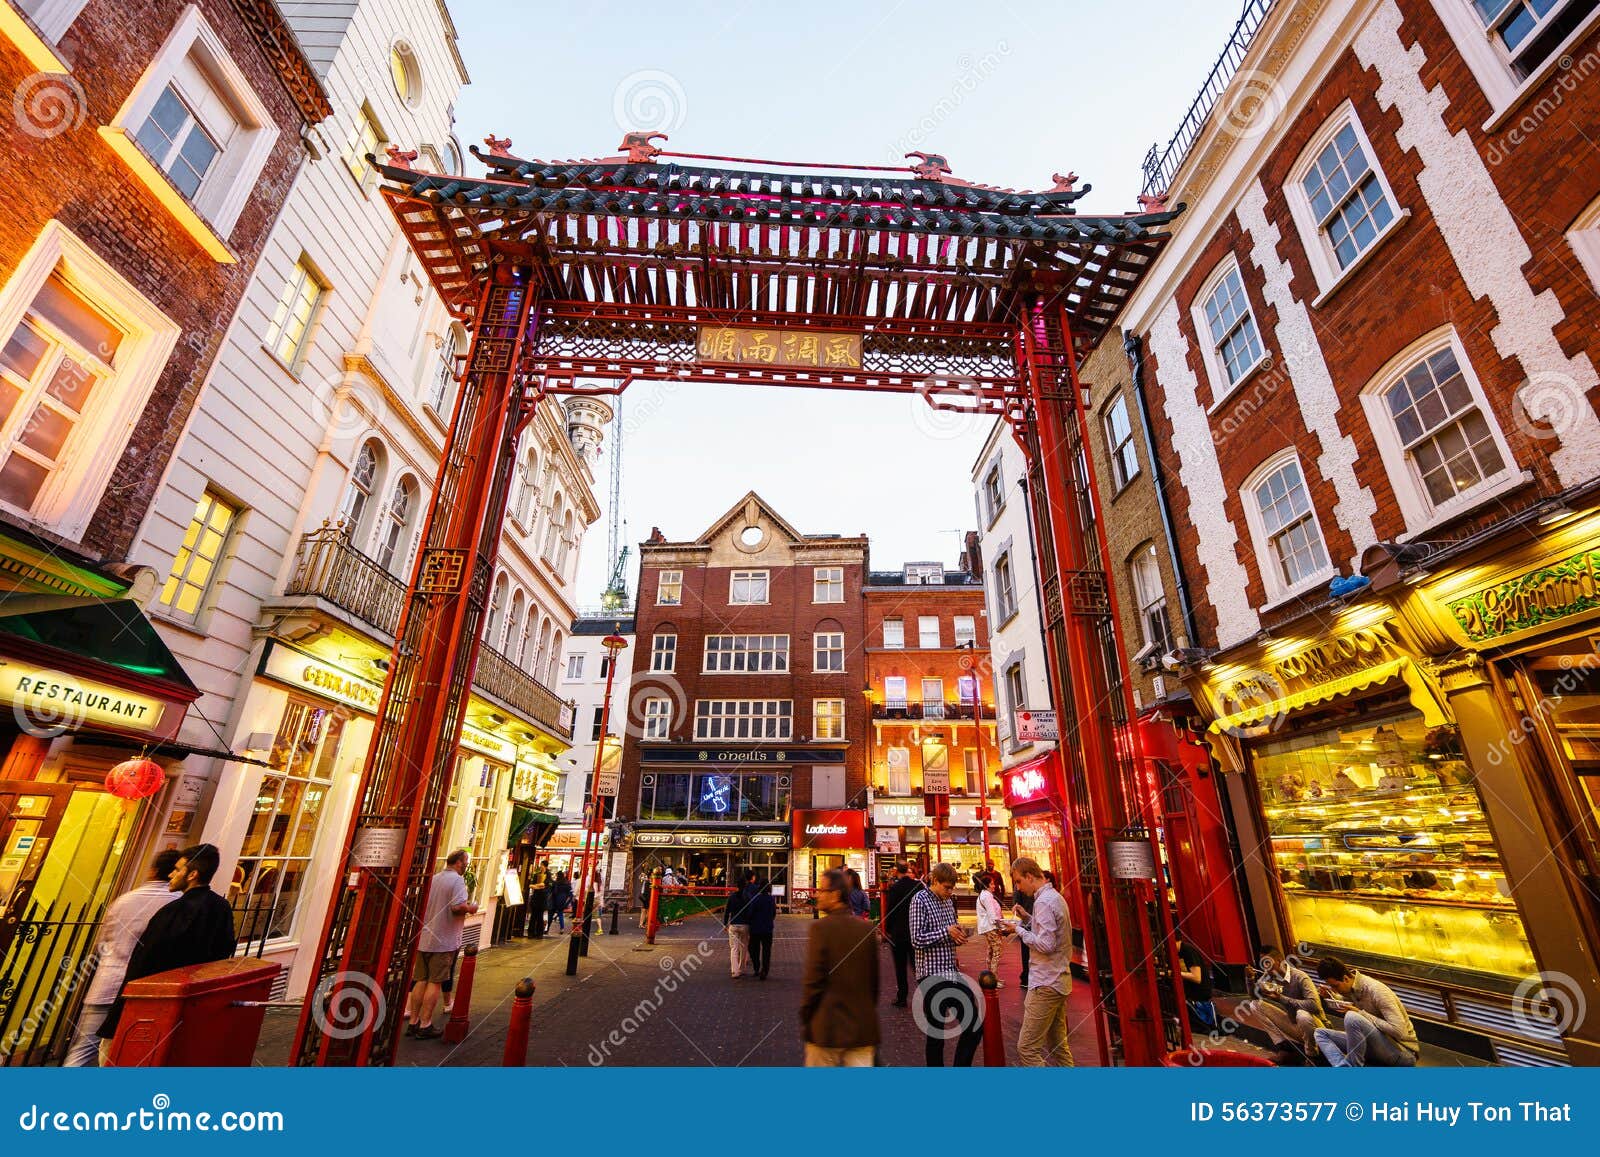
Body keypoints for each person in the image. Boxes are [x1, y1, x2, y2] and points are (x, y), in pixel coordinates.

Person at [95, 844, 237, 1060]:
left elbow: (144, 962)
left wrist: (119, 1014)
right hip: (192, 1007)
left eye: (177, 869)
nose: (171, 874)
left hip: (151, 1008)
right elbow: (223, 954)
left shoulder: (173, 912)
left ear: (192, 874)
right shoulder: (221, 907)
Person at [64, 848, 183, 1066]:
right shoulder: (179, 904)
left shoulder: (124, 901)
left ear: (153, 871)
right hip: (147, 989)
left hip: (108, 983)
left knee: (83, 1050)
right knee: (135, 1054)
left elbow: (103, 942)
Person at [800, 868, 880, 1066]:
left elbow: (813, 981)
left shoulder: (820, 929)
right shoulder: (866, 929)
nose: (817, 894)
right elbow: (874, 984)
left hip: (827, 1028)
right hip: (862, 1028)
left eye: (822, 890)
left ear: (835, 895)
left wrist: (806, 1014)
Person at [1001, 857, 1073, 1066]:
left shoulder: (1042, 902)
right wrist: (1026, 918)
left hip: (1045, 983)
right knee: (1059, 1047)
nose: (1018, 888)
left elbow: (1046, 944)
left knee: (1027, 1048)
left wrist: (1018, 930)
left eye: (1018, 882)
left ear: (1029, 877)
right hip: (1059, 980)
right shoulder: (1054, 897)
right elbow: (1049, 933)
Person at [910, 862, 984, 1066]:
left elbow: (950, 929)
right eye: (946, 887)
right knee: (936, 1032)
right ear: (934, 881)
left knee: (974, 1026)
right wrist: (946, 932)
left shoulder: (948, 901)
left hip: (950, 970)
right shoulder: (919, 900)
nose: (949, 892)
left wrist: (957, 934)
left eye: (952, 888)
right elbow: (916, 939)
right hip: (931, 973)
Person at [405, 849, 479, 1040]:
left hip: (425, 938)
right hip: (443, 939)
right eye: (466, 862)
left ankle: (413, 1022)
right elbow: (457, 907)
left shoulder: (434, 879)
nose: (466, 865)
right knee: (435, 981)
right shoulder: (457, 881)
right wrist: (472, 908)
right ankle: (425, 1024)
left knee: (420, 979)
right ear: (460, 863)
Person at [1313, 956, 1419, 1067]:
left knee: (1352, 1017)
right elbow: (1351, 1005)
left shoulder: (1377, 991)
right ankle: (1343, 1067)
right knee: (1320, 1033)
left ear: (1345, 978)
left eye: (1335, 986)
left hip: (1402, 1051)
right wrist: (1331, 996)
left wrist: (1360, 1013)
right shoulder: (1352, 988)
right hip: (1374, 1045)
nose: (1334, 989)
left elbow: (1399, 1031)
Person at [1234, 946, 1326, 1064]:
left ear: (1279, 961)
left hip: (1316, 1027)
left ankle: (1312, 1056)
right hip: (1294, 1024)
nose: (1265, 967)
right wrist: (1249, 979)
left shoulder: (1300, 977)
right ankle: (1285, 1049)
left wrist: (1281, 998)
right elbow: (1254, 996)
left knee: (1302, 1015)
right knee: (1255, 1005)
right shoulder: (1269, 977)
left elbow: (1314, 1005)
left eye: (1268, 963)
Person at [883, 861, 922, 1007]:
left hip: (898, 933)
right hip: (915, 931)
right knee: (917, 966)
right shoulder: (917, 886)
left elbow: (890, 911)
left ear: (896, 871)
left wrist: (888, 929)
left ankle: (902, 997)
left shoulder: (895, 888)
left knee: (900, 967)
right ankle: (928, 994)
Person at [1174, 932, 1216, 1032]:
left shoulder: (1187, 950)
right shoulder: (1178, 953)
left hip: (1199, 990)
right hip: (1190, 988)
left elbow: (1197, 977)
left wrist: (1175, 973)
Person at [975, 871, 1005, 984]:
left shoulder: (983, 895)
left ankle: (990, 978)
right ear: (987, 885)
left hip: (987, 927)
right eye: (992, 884)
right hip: (990, 927)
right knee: (997, 952)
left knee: (991, 951)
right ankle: (993, 979)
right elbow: (992, 915)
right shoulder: (987, 896)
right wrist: (1000, 927)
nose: (994, 886)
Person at [724, 871, 754, 979]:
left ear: (737, 886)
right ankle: (742, 968)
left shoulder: (732, 897)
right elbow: (751, 911)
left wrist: (725, 924)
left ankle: (735, 971)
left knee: (734, 949)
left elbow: (727, 911)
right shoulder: (748, 897)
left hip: (734, 924)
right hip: (745, 925)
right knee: (744, 948)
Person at [747, 878, 777, 980]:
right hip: (767, 929)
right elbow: (773, 913)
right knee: (766, 950)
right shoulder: (771, 899)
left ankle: (756, 967)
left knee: (753, 949)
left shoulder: (755, 899)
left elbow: (750, 913)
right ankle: (764, 970)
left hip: (755, 929)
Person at [525, 862, 548, 939]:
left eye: (541, 865)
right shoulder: (536, 874)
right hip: (535, 898)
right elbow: (531, 885)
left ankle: (539, 934)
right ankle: (531, 933)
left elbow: (544, 885)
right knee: (533, 917)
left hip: (542, 899)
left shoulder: (548, 875)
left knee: (540, 917)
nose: (540, 867)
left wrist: (537, 886)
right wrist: (538, 886)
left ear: (545, 866)